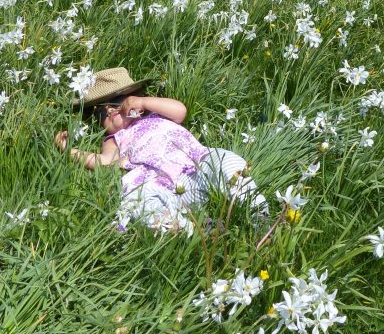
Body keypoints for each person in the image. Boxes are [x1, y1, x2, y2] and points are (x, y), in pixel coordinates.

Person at [55, 67, 266, 234]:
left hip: (194, 168)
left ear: (134, 98)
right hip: (160, 185)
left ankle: (260, 216)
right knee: (136, 202)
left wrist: (144, 102)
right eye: (101, 112)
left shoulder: (155, 114)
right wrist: (69, 150)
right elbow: (105, 162)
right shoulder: (113, 138)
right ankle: (191, 229)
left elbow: (180, 111)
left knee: (225, 160)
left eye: (117, 103)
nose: (110, 111)